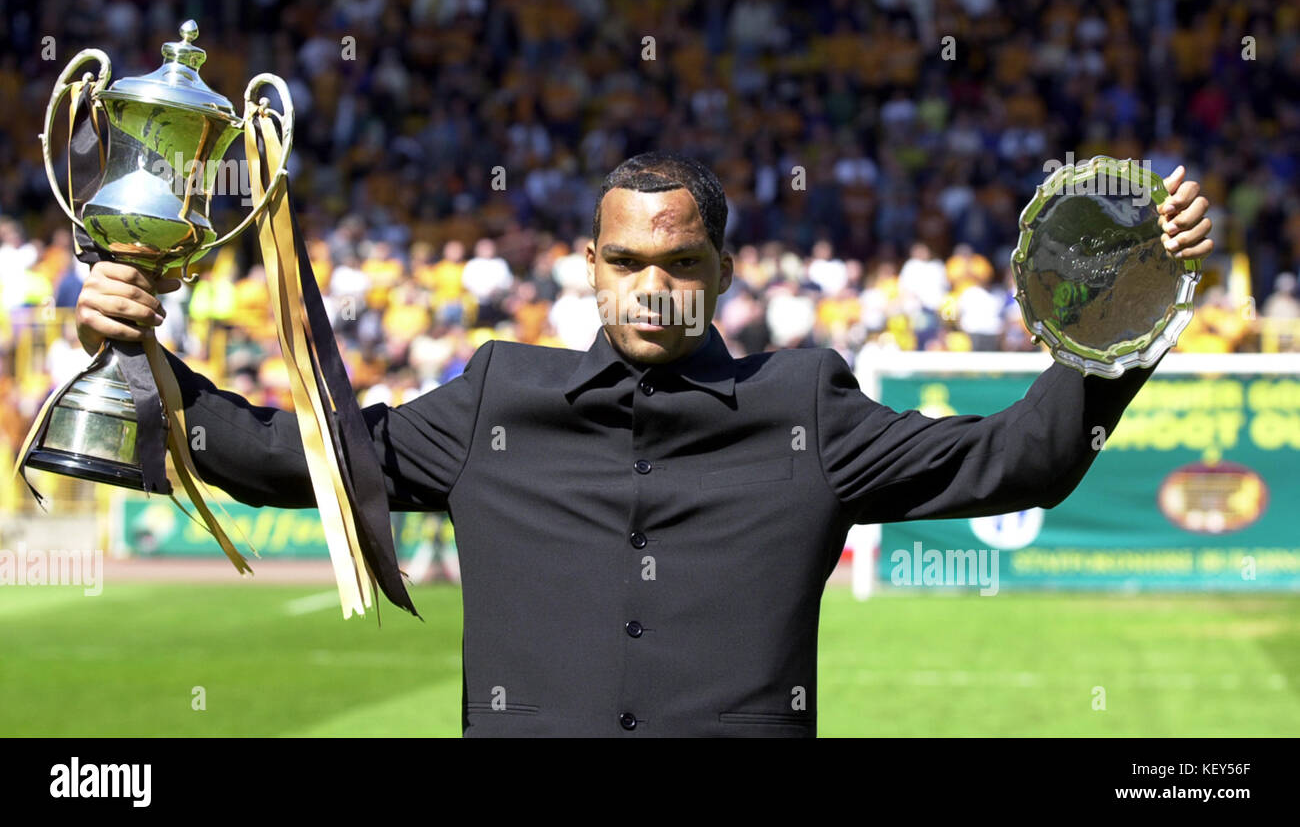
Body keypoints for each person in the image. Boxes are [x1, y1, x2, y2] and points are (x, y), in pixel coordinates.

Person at [72, 153, 1214, 737]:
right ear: (589, 265)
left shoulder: (805, 405)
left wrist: (1131, 308)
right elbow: (295, 463)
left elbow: (1020, 460)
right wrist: (143, 363)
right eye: (627, 264)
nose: (652, 288)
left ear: (721, 270)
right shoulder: (497, 398)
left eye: (679, 265)